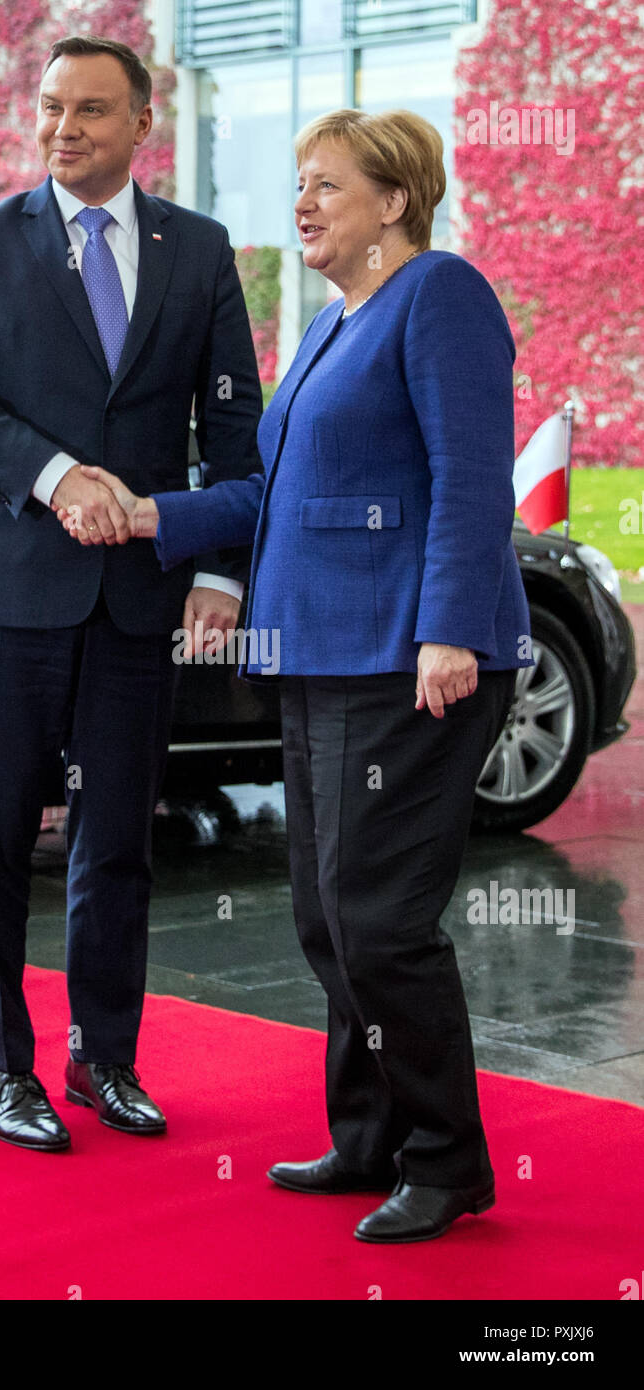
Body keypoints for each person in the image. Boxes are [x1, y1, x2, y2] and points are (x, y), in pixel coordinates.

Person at [62, 108, 533, 1241]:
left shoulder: (441, 295)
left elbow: (473, 478)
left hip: (410, 657)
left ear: (396, 201)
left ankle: (448, 1156)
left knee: (378, 916)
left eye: (329, 184)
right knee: (328, 915)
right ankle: (368, 1134)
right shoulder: (332, 326)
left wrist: (452, 629)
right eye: (300, 185)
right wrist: (149, 515)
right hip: (321, 656)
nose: (305, 205)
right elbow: (271, 499)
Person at [0, 35, 262, 1151]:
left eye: (92, 111)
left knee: (117, 839)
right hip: (9, 583)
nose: (65, 128)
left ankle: (104, 1057)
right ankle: (2, 1065)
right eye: (53, 107)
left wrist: (216, 570)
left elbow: (234, 428)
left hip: (140, 597)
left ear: (141, 124)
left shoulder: (200, 251)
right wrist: (60, 479)